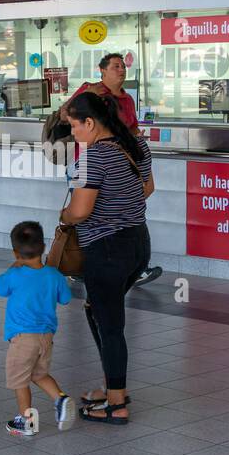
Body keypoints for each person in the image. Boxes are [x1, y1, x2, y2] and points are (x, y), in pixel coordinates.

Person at [60, 91, 154, 425]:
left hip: (107, 249)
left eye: (75, 126)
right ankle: (111, 385)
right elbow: (147, 189)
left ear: (90, 122)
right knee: (97, 312)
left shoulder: (92, 158)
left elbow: (81, 211)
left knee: (110, 325)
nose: (73, 133)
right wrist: (120, 207)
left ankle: (117, 404)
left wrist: (66, 215)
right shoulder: (136, 145)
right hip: (138, 244)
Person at [60, 52, 162, 287]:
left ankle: (128, 266)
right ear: (102, 70)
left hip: (121, 159)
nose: (121, 70)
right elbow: (66, 115)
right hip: (88, 161)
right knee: (84, 210)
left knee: (117, 209)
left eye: (122, 66)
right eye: (115, 66)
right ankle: (79, 263)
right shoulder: (90, 91)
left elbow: (133, 129)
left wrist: (137, 146)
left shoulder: (126, 99)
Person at [0, 221, 74, 438]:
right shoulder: (54, 275)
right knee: (39, 374)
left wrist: (12, 268)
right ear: (43, 247)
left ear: (15, 252)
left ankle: (27, 421)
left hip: (22, 338)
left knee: (20, 380)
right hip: (46, 337)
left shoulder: (13, 275)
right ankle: (60, 399)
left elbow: (1, 290)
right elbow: (66, 299)